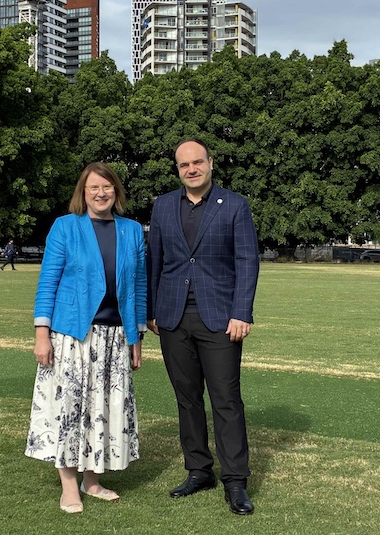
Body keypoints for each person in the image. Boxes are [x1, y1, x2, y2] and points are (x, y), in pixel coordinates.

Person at [25, 162, 147, 514]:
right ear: (83, 191)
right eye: (94, 187)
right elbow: (48, 282)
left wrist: (136, 336)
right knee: (71, 410)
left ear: (116, 192)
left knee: (104, 410)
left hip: (115, 337)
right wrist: (41, 334)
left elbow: (138, 287)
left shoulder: (132, 231)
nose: (100, 193)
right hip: (72, 335)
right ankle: (69, 487)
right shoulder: (66, 227)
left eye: (107, 187)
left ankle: (92, 481)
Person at [147, 138, 260, 516]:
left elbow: (247, 262)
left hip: (221, 319)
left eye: (198, 162)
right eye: (184, 165)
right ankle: (198, 470)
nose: (191, 169)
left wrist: (241, 312)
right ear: (177, 170)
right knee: (187, 398)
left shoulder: (235, 206)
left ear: (211, 164)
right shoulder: (163, 206)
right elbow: (155, 263)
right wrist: (151, 311)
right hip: (173, 317)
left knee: (226, 400)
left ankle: (235, 481)